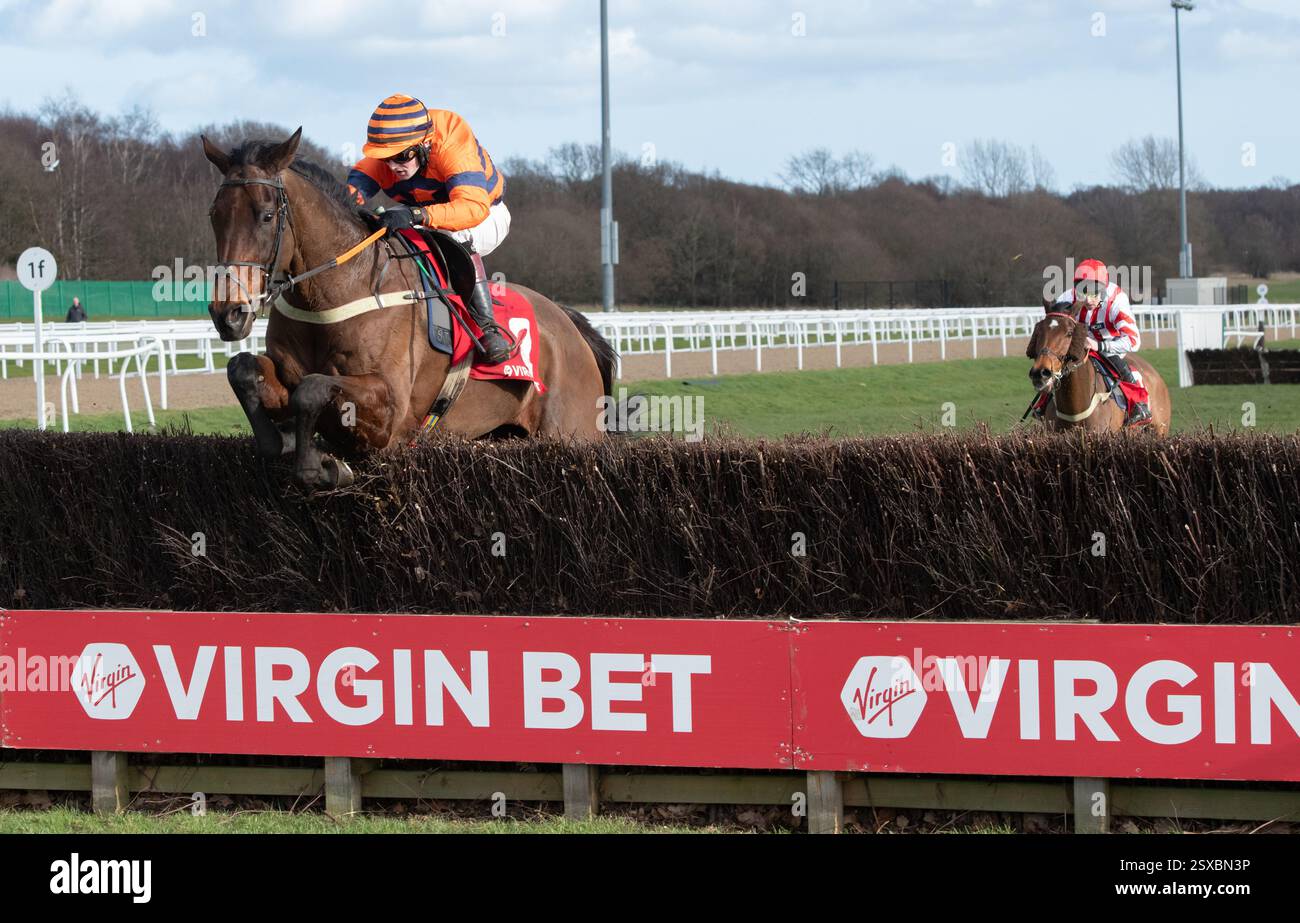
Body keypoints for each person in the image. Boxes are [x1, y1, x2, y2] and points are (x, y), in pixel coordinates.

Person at [346, 94, 513, 364]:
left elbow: (472, 208)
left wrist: (416, 214)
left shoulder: (451, 140)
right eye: (385, 158)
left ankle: (488, 328)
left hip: (483, 215)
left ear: (424, 144)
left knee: (452, 237)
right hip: (428, 216)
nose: (392, 166)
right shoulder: (393, 148)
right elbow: (351, 193)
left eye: (401, 157)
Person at [1051, 259, 1151, 424]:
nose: (1089, 300)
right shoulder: (1067, 299)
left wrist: (1100, 345)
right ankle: (1043, 403)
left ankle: (1138, 405)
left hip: (1111, 342)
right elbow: (1053, 330)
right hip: (1080, 344)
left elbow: (1134, 341)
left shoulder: (1116, 301)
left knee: (1117, 363)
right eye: (1084, 294)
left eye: (1094, 294)